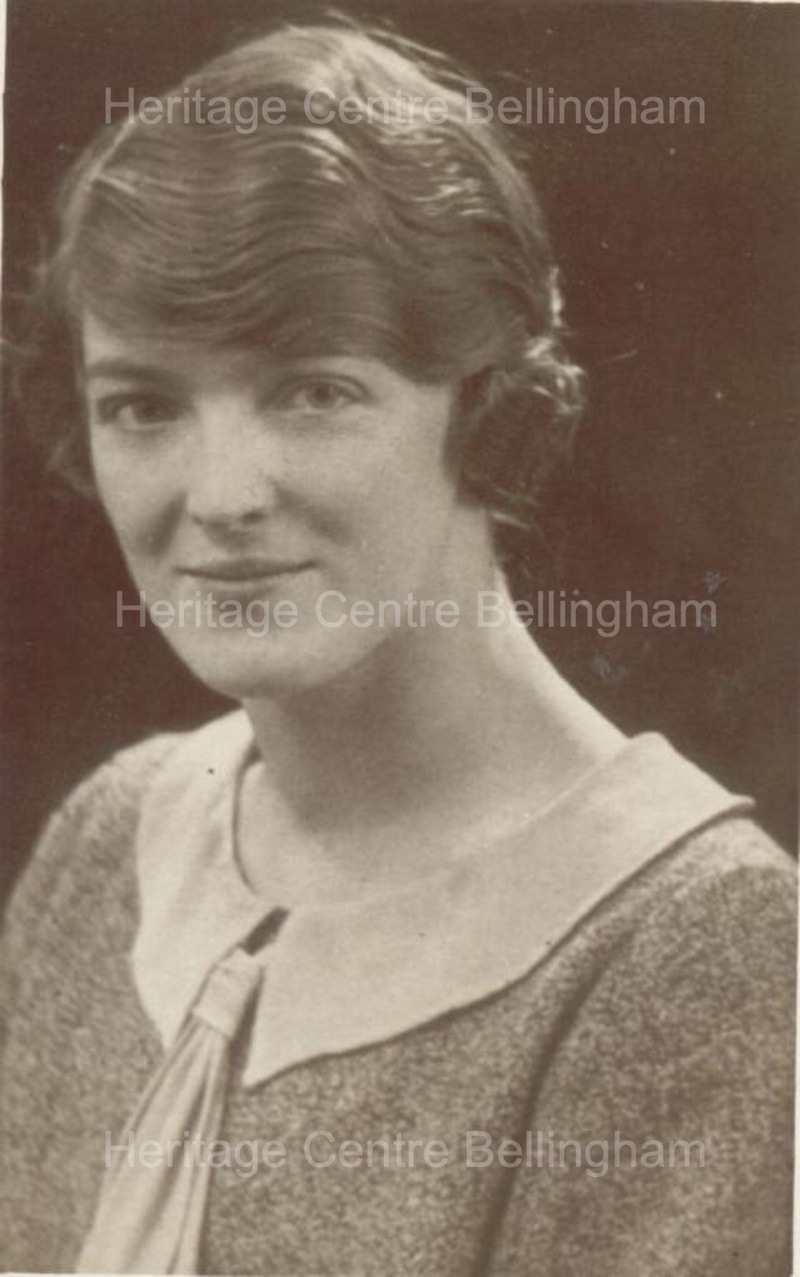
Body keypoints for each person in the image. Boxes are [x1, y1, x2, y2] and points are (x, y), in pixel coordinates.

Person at [1, 19, 794, 1276]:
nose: (219, 493)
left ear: (490, 408)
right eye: (143, 404)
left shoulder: (692, 950)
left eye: (313, 389)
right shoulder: (108, 847)